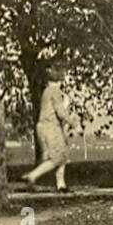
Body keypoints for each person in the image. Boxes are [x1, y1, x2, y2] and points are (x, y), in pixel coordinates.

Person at [23, 63, 78, 192]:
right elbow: (60, 112)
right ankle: (32, 176)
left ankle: (61, 185)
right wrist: (73, 122)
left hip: (45, 126)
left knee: (63, 153)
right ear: (61, 79)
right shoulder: (55, 91)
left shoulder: (47, 91)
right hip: (50, 127)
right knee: (57, 156)